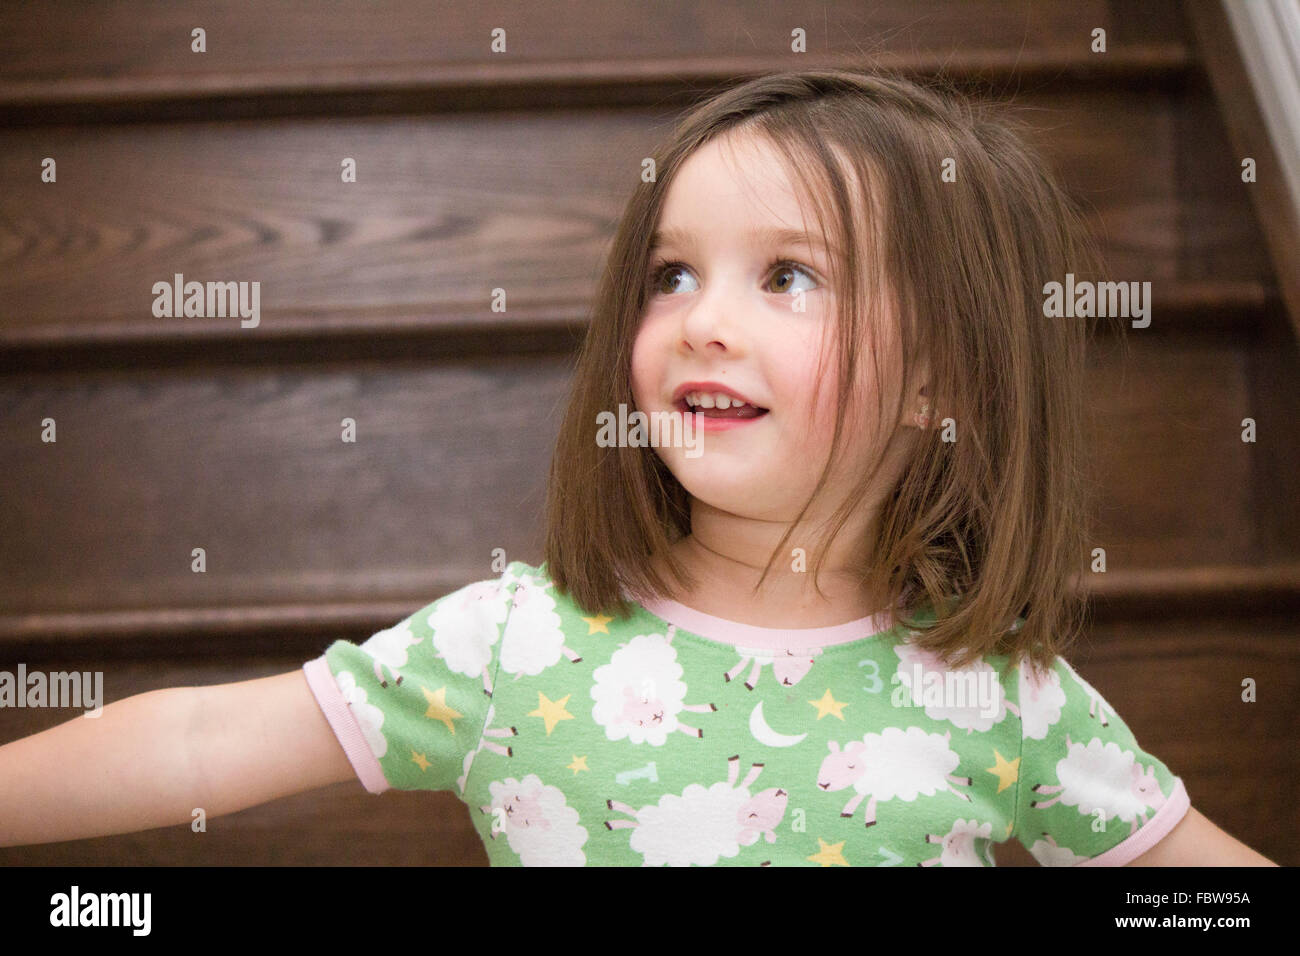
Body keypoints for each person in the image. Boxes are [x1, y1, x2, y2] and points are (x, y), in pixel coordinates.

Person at [0, 70, 1276, 866]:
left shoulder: (1001, 696)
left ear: (944, 376)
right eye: (672, 273)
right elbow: (203, 741)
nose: (701, 319)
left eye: (789, 275)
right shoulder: (510, 643)